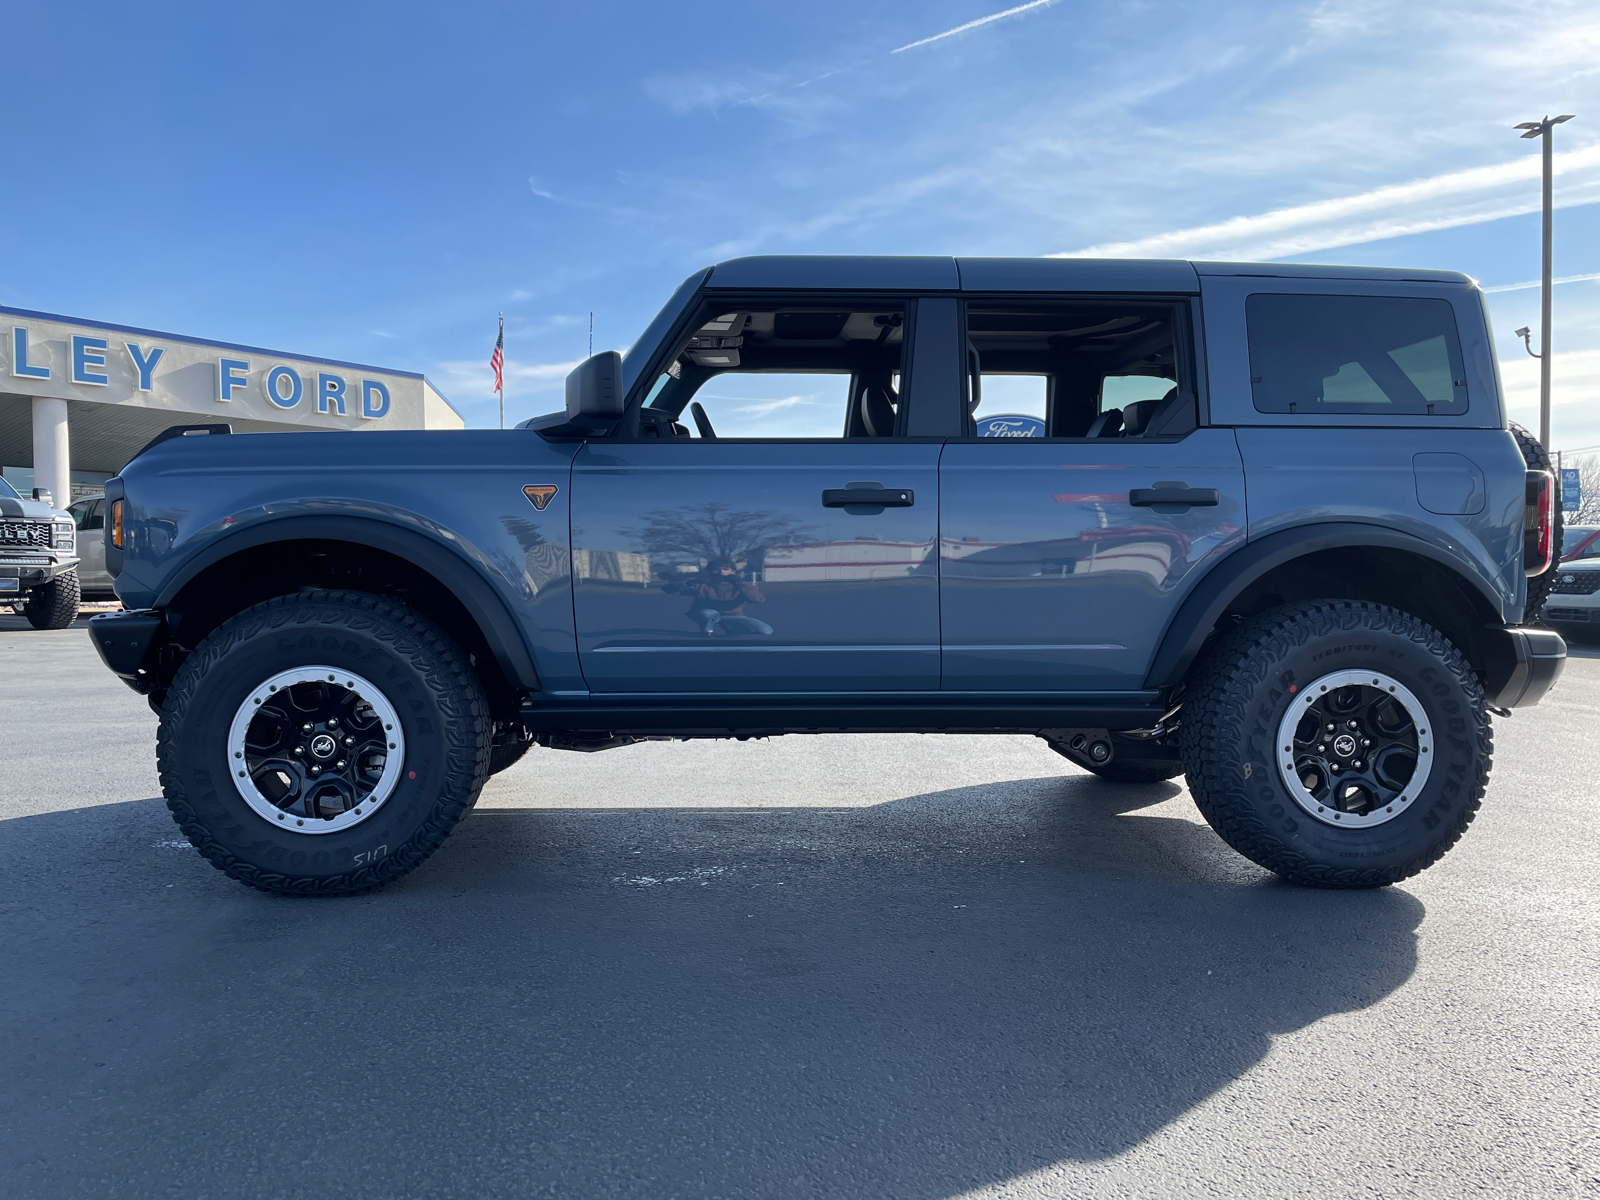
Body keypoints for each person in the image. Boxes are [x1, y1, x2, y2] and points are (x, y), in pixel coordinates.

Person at [667, 558, 773, 636]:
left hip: (733, 615)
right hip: (706, 613)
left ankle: (731, 627)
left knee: (766, 630)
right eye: (717, 570)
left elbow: (758, 599)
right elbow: (670, 589)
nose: (722, 572)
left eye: (726, 569)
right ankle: (706, 632)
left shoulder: (743, 585)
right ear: (711, 571)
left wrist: (741, 584)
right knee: (710, 614)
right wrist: (692, 582)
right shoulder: (702, 584)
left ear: (733, 571)